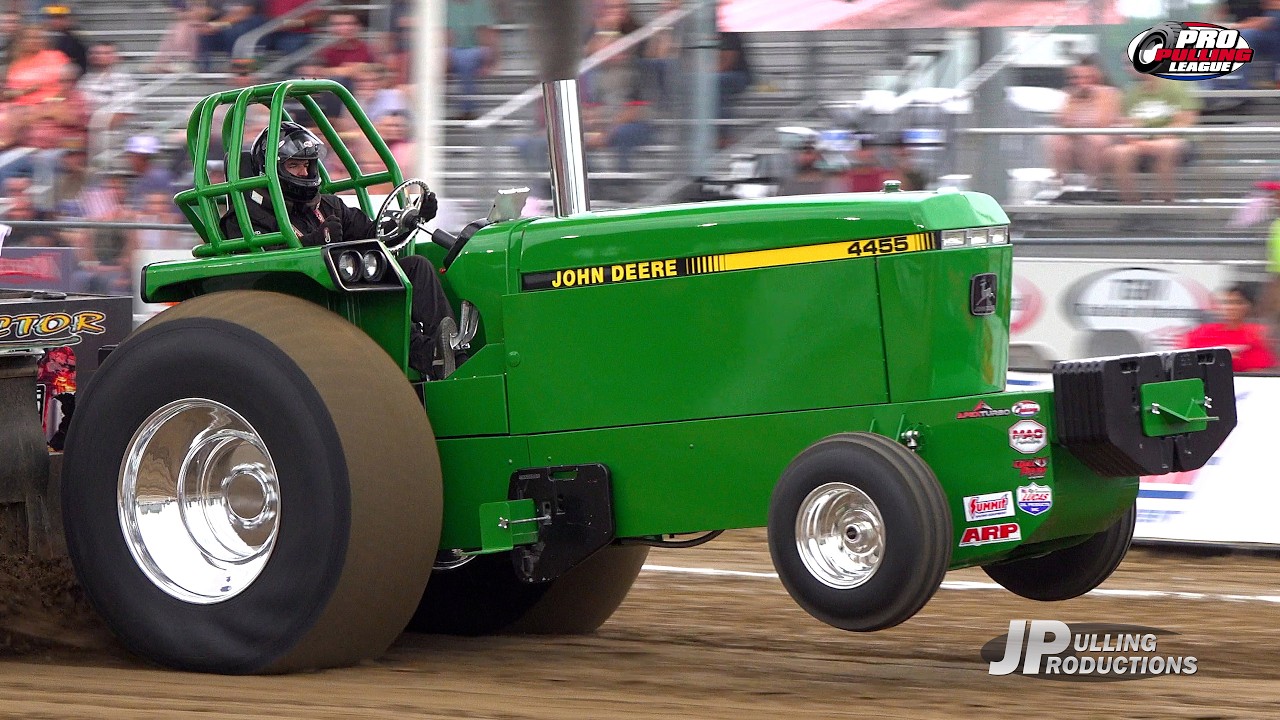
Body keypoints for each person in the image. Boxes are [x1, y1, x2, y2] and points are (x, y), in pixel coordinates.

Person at [219, 121, 456, 377]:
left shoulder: (329, 206)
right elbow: (264, 266)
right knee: (365, 285)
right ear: (270, 170)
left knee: (416, 268)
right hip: (297, 306)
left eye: (307, 164)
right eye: (294, 165)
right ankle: (429, 356)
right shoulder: (245, 217)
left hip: (343, 290)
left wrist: (409, 220)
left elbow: (372, 233)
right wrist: (314, 243)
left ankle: (452, 348)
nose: (303, 172)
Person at [1103, 72, 1201, 203]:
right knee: (1120, 153)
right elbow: (1126, 125)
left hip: (1177, 142)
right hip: (1140, 143)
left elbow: (1185, 121)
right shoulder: (1131, 93)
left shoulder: (1178, 87)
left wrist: (1154, 140)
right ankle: (1131, 206)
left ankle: (1165, 203)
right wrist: (1139, 142)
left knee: (1167, 147)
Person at [1046, 56, 1121, 189]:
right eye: (1077, 78)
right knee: (1058, 141)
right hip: (1077, 136)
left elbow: (1103, 122)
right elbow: (1062, 119)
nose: (1082, 82)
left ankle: (1096, 184)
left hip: (1105, 137)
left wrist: (1078, 125)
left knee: (1093, 141)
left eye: (1086, 78)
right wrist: (1075, 104)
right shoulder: (1071, 95)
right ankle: (1059, 183)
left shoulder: (1108, 94)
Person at [1181, 284, 1276, 372]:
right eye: (1226, 302)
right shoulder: (1201, 333)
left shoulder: (1258, 335)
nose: (1231, 307)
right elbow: (1187, 362)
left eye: (1237, 303)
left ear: (1248, 306)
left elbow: (1264, 369)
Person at [446, 0, 498, 121]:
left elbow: (487, 34)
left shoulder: (480, 5)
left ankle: (467, 109)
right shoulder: (446, 6)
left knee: (465, 59)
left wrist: (491, 62)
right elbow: (444, 34)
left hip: (475, 49)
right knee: (439, 55)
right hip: (452, 49)